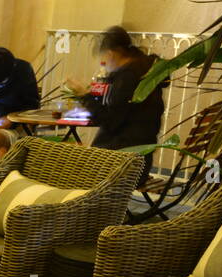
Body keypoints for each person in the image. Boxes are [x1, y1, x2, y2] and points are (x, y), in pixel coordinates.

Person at [67, 26, 168, 177]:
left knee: (63, 161)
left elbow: (110, 120)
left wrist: (84, 95)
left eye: (104, 58)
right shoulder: (146, 70)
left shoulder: (127, 77)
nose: (105, 63)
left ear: (111, 54)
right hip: (141, 161)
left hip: (120, 162)